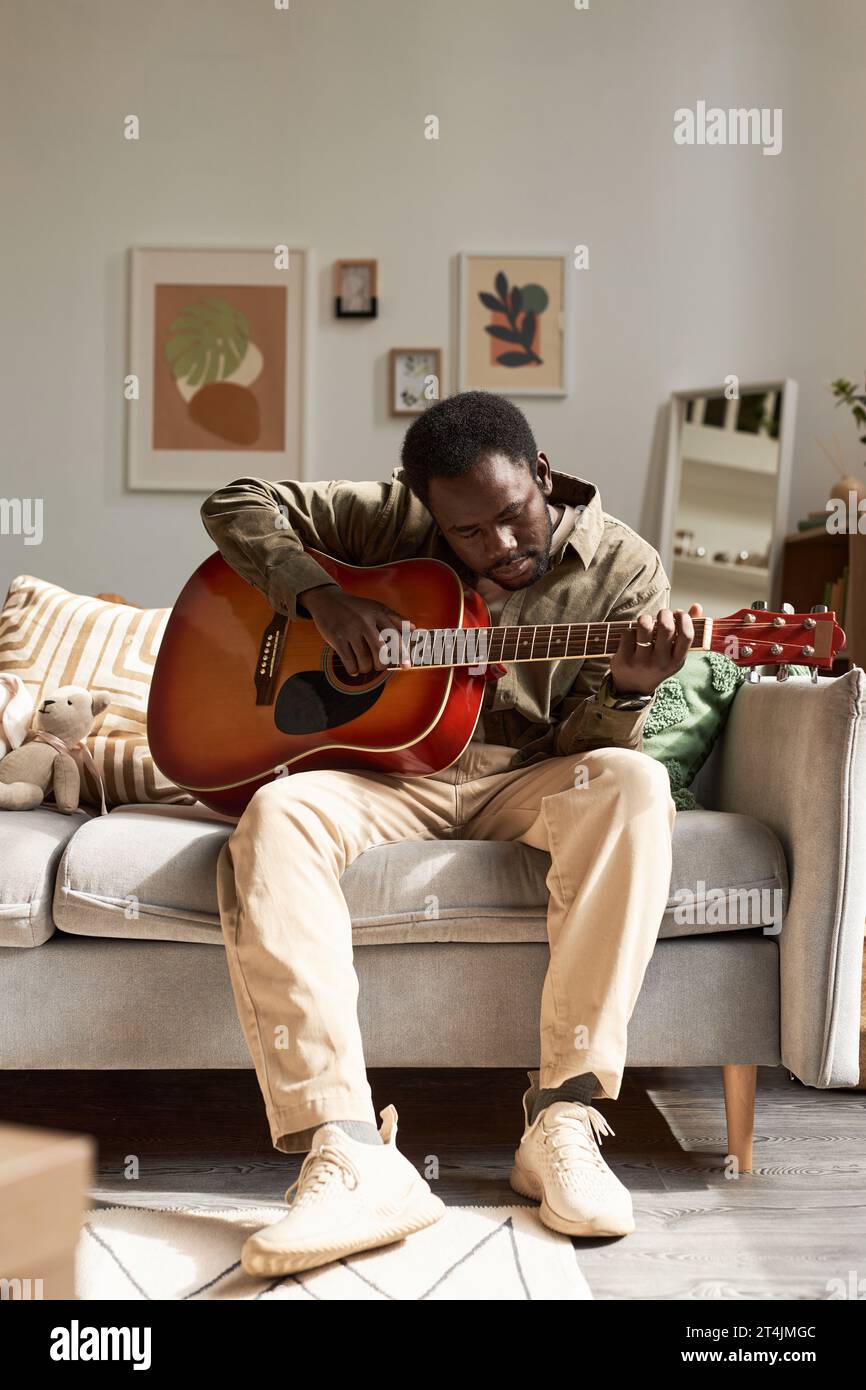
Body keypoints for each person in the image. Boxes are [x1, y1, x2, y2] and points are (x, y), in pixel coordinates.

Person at [200, 390, 699, 1277]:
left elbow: (587, 749)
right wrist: (320, 600)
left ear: (542, 474)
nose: (501, 546)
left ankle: (564, 1121)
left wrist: (625, 688)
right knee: (277, 816)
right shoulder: (391, 517)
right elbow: (235, 501)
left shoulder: (624, 569)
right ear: (428, 506)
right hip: (394, 777)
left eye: (514, 515)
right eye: (470, 533)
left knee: (633, 782)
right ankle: (349, 1149)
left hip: (524, 779)